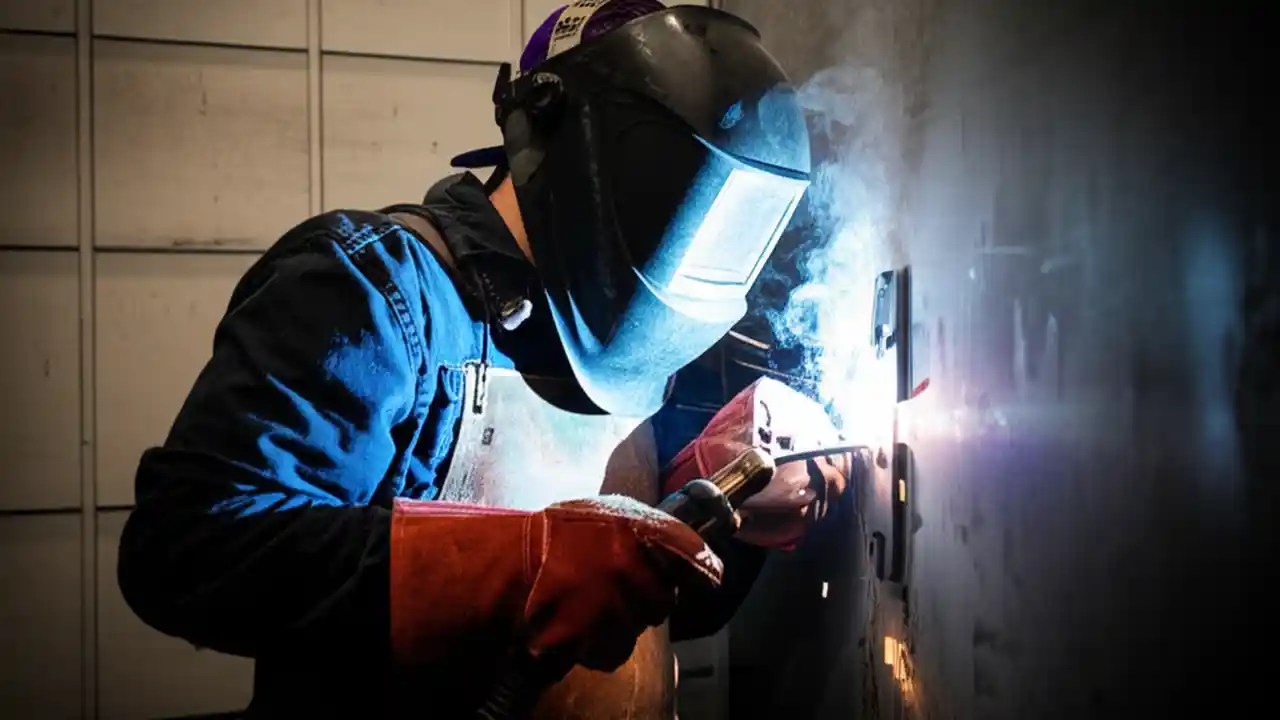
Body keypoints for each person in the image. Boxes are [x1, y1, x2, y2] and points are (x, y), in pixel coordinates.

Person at [118, 2, 847, 717]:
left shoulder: (644, 340)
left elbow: (626, 637)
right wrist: (519, 566)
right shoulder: (377, 290)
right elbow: (187, 550)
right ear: (580, 143)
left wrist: (715, 503)